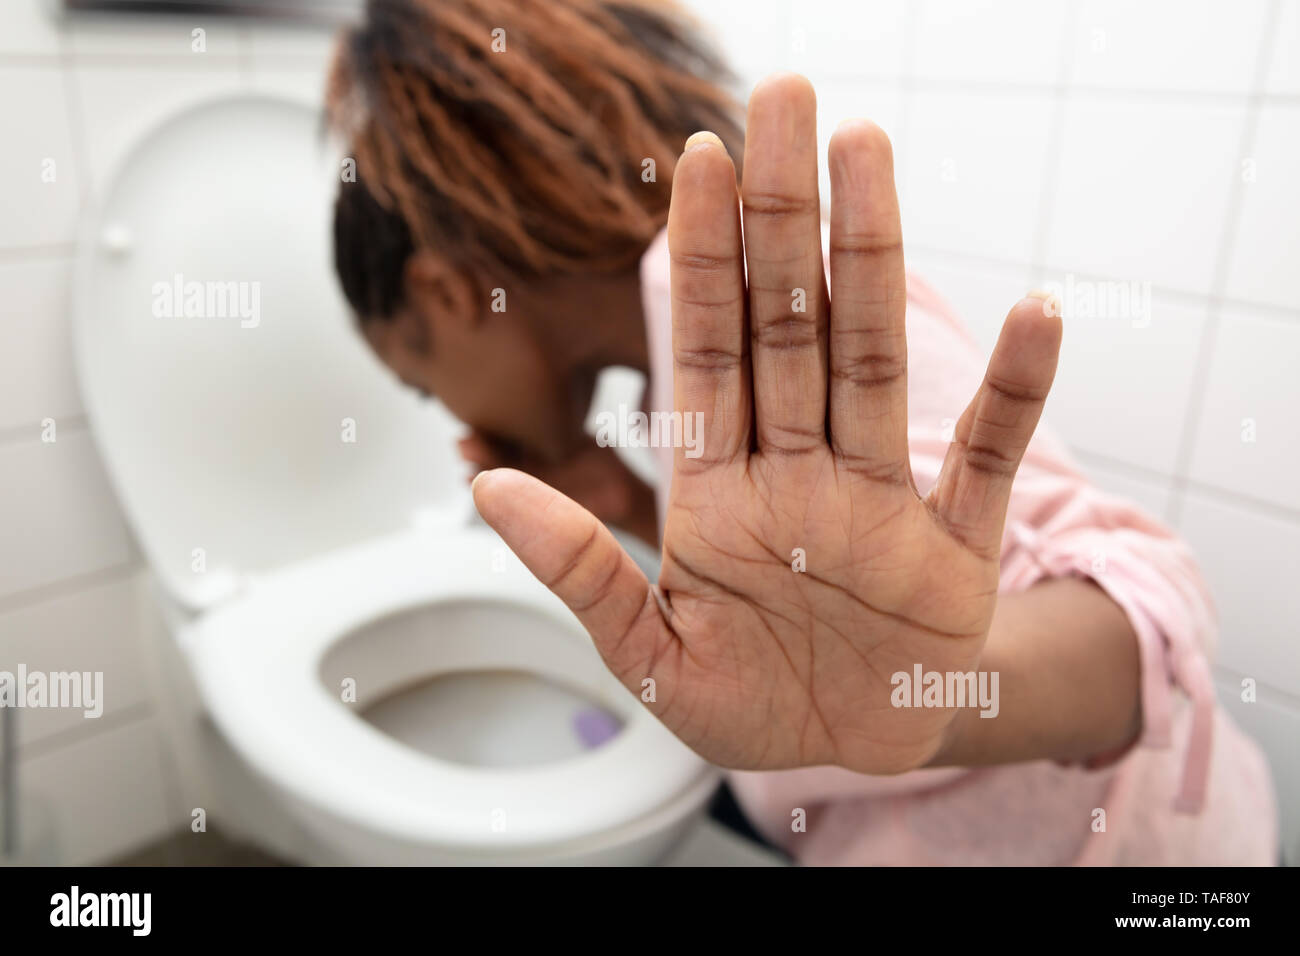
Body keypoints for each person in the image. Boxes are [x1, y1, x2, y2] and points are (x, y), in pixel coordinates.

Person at [326, 0, 1276, 865]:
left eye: (420, 385)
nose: (453, 417)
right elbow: (801, 591)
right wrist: (629, 506)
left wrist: (926, 697)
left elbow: (1149, 618)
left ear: (445, 295)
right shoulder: (680, 370)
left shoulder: (758, 301)